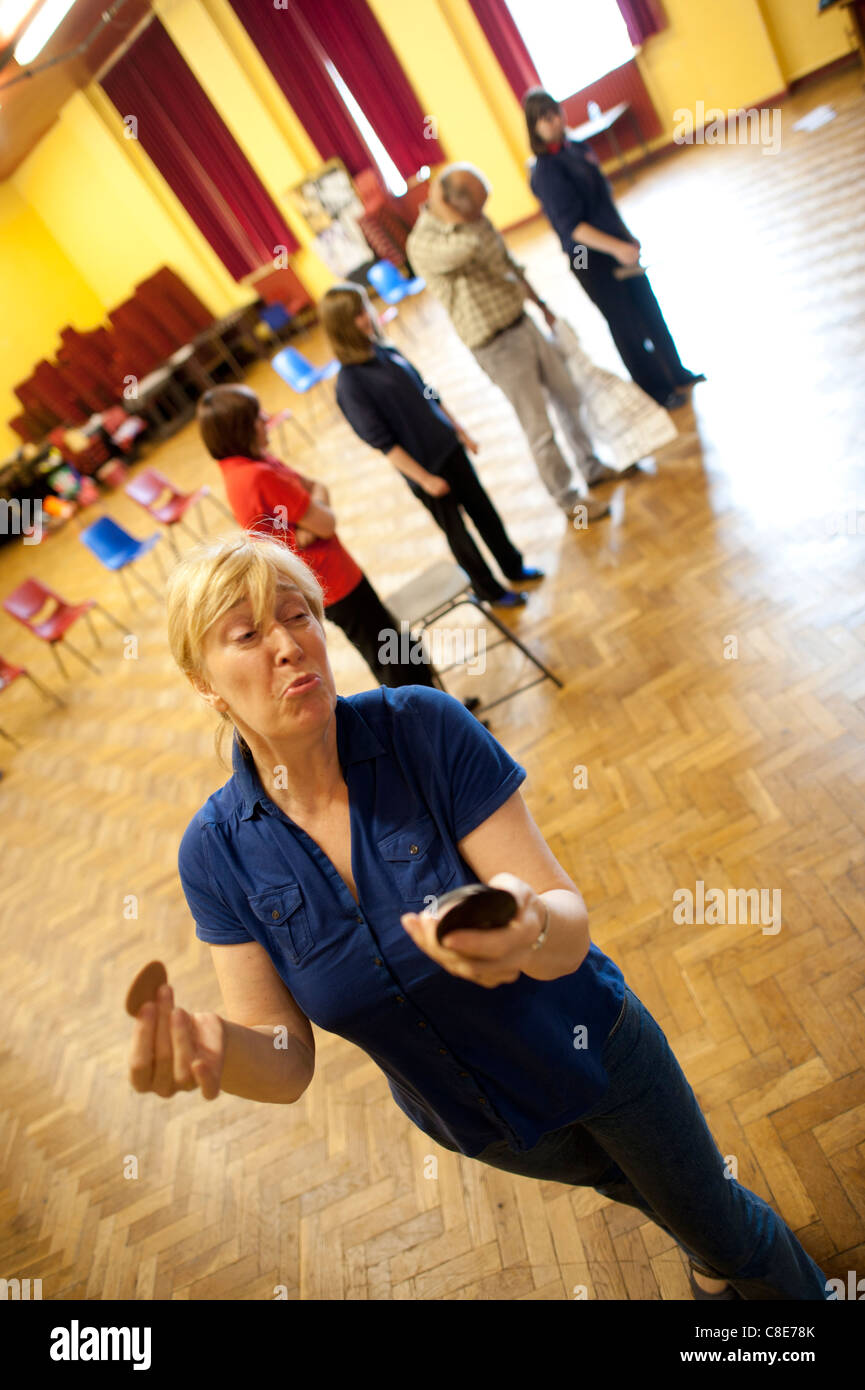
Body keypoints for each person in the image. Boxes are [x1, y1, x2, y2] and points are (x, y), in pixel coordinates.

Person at [129, 531, 834, 1302]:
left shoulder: (422, 728)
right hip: (487, 1125)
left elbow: (565, 926)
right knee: (682, 1212)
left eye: (299, 617)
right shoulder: (214, 855)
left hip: (597, 1055)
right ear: (204, 682)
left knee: (724, 1231)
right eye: (249, 633)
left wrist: (526, 928)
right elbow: (286, 1062)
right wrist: (215, 1050)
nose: (290, 646)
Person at [406, 162, 616, 526]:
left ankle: (592, 466)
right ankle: (571, 504)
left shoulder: (473, 218)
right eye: (476, 208)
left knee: (569, 396)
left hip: (523, 324)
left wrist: (541, 307)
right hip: (495, 346)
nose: (482, 216)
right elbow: (466, 250)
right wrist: (463, 219)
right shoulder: (422, 242)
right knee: (540, 428)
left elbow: (508, 263)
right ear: (449, 202)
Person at [196, 384, 436, 692]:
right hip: (333, 582)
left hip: (332, 575)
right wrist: (314, 519)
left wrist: (311, 519)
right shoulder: (256, 476)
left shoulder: (250, 464)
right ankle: (424, 725)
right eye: (258, 417)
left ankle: (438, 710)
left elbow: (318, 487)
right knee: (393, 657)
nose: (266, 419)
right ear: (239, 429)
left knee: (397, 647)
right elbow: (326, 521)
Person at [320, 283, 540, 609]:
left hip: (448, 447)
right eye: (357, 317)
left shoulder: (384, 350)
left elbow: (427, 392)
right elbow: (382, 442)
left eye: (365, 309)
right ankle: (489, 591)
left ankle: (513, 565)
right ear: (342, 327)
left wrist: (459, 430)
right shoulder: (350, 385)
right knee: (459, 535)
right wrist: (424, 479)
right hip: (427, 470)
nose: (367, 318)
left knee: (484, 512)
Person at [523, 88, 706, 411]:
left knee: (649, 308)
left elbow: (604, 201)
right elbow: (573, 227)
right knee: (625, 324)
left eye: (554, 113)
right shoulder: (546, 171)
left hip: (617, 242)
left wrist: (627, 238)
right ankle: (656, 391)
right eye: (544, 119)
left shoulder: (576, 147)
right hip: (588, 257)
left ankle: (676, 371)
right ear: (534, 127)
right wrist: (616, 248)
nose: (553, 121)